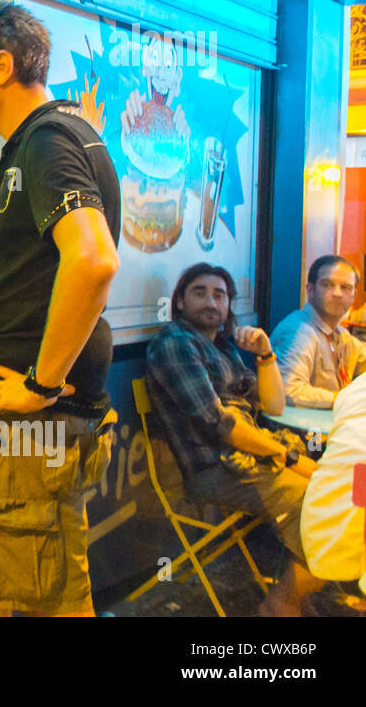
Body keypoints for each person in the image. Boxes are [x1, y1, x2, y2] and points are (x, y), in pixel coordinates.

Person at [0, 0, 121, 617]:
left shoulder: (47, 141)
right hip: (2, 407)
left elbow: (93, 260)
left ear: (1, 66)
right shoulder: (28, 147)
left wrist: (42, 385)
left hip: (25, 420)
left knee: (15, 596)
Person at [145, 263, 324, 616]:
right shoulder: (175, 344)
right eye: (200, 293)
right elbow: (220, 424)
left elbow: (273, 404)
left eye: (220, 295)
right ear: (179, 302)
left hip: (251, 460)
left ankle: (294, 595)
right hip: (215, 469)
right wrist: (289, 459)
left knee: (347, 494)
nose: (211, 301)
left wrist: (265, 354)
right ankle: (283, 604)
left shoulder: (223, 349)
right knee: (321, 502)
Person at [270, 255, 366, 409]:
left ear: (354, 295)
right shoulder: (298, 331)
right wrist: (346, 400)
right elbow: (288, 391)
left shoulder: (340, 334)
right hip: (299, 431)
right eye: (327, 285)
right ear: (310, 290)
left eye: (345, 287)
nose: (337, 293)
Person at [300, 371, 366, 595]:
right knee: (314, 444)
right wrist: (328, 396)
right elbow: (292, 389)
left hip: (344, 442)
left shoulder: (344, 343)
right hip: (309, 426)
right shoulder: (302, 336)